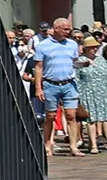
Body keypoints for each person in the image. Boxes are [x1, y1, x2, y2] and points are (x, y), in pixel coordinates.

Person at [33, 18, 85, 159]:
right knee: (50, 116)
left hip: (69, 83)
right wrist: (39, 87)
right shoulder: (42, 46)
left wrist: (83, 64)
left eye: (69, 29)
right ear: (56, 29)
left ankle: (73, 146)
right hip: (50, 84)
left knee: (71, 115)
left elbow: (73, 62)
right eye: (65, 29)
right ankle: (48, 144)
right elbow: (38, 67)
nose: (68, 32)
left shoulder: (72, 44)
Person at [75, 38, 107, 154]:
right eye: (92, 47)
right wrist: (79, 95)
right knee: (91, 119)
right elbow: (77, 79)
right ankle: (93, 144)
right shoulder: (80, 61)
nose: (94, 49)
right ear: (86, 48)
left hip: (101, 92)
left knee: (102, 117)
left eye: (96, 47)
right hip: (87, 92)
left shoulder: (101, 60)